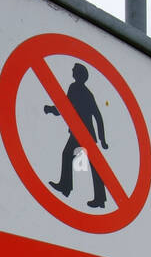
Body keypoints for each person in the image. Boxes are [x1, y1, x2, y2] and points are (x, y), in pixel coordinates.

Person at [44, 63, 109, 208]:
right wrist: (52, 109)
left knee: (82, 160)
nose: (72, 71)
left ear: (79, 74)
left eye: (74, 70)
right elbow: (66, 106)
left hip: (84, 133)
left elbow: (97, 116)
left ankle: (72, 189)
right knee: (72, 156)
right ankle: (67, 187)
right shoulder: (78, 89)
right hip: (80, 132)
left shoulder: (79, 90)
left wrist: (103, 139)